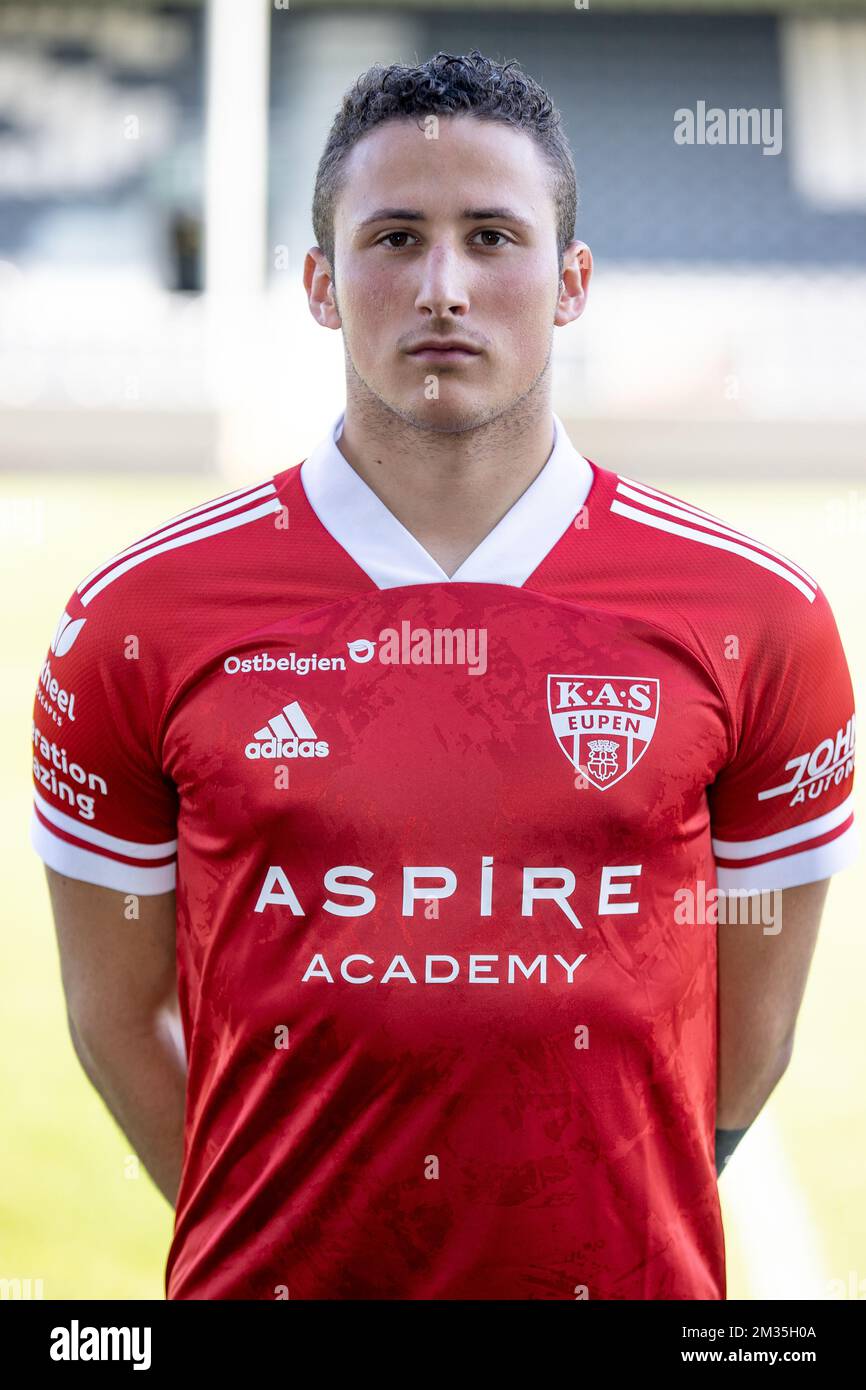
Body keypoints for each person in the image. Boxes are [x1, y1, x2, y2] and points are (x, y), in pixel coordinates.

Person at [31, 49, 857, 1300]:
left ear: (570, 282)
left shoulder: (761, 618)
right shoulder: (132, 624)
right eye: (395, 237)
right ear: (318, 283)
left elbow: (753, 1027)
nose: (443, 287)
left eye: (490, 237)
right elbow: (114, 1019)